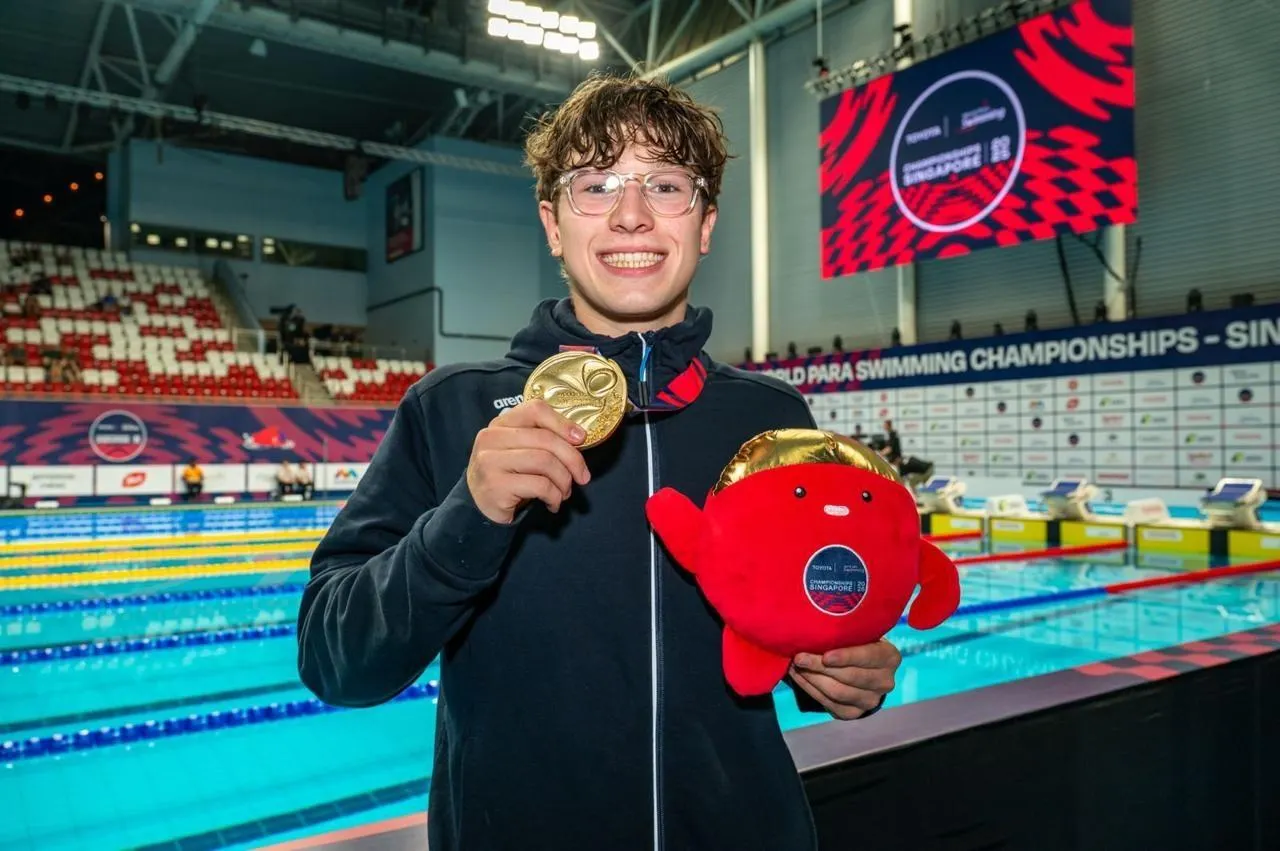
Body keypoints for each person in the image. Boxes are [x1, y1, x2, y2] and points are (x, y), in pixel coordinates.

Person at [297, 71, 903, 851]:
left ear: (706, 223)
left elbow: (807, 619)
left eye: (666, 184)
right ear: (552, 223)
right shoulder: (449, 410)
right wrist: (467, 514)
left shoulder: (771, 420)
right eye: (595, 184)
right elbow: (335, 660)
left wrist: (841, 673)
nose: (630, 214)